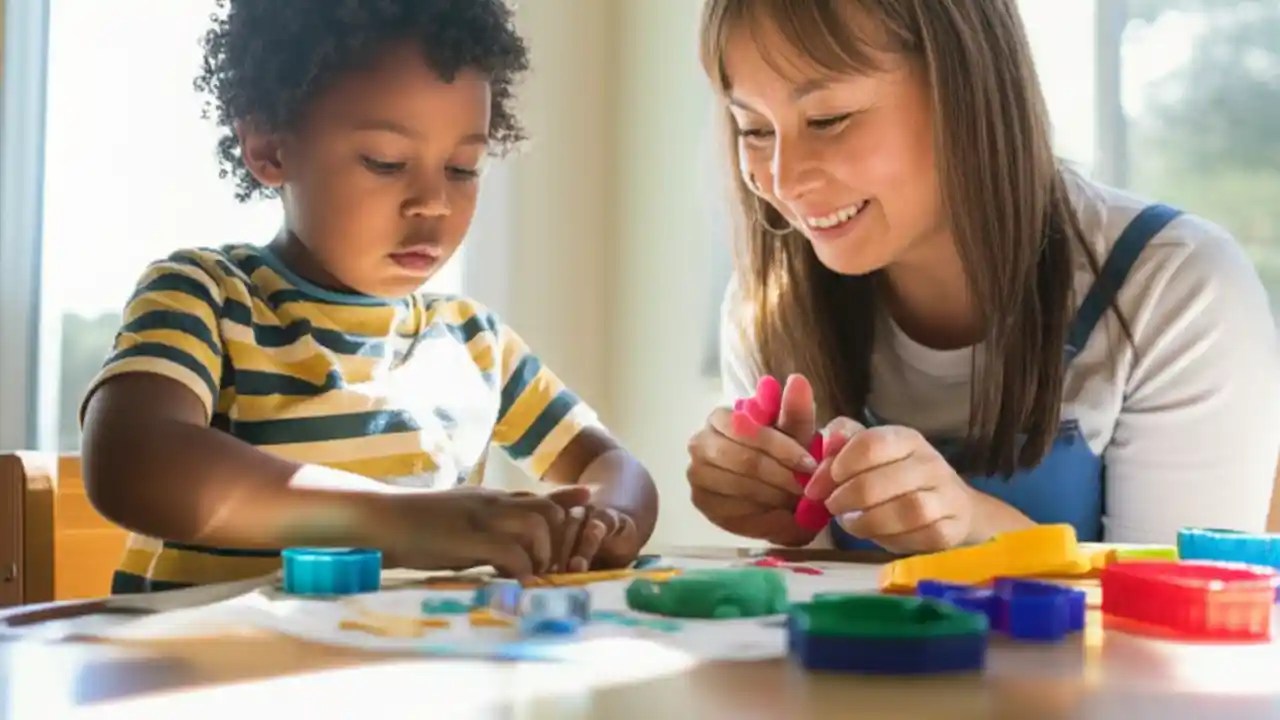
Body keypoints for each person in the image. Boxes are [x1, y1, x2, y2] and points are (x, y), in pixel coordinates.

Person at [80, 0, 657, 593]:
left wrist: (603, 521)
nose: (433, 202)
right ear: (270, 148)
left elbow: (615, 467)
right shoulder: (207, 296)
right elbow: (132, 464)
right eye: (386, 162)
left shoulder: (475, 344)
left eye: (462, 168)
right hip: (216, 675)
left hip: (406, 673)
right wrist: (404, 524)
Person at [685, 0, 1280, 554]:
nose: (784, 180)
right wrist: (776, 514)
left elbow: (1182, 633)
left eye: (829, 118)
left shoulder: (1177, 290)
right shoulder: (768, 310)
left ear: (966, 89)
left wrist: (976, 528)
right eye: (754, 130)